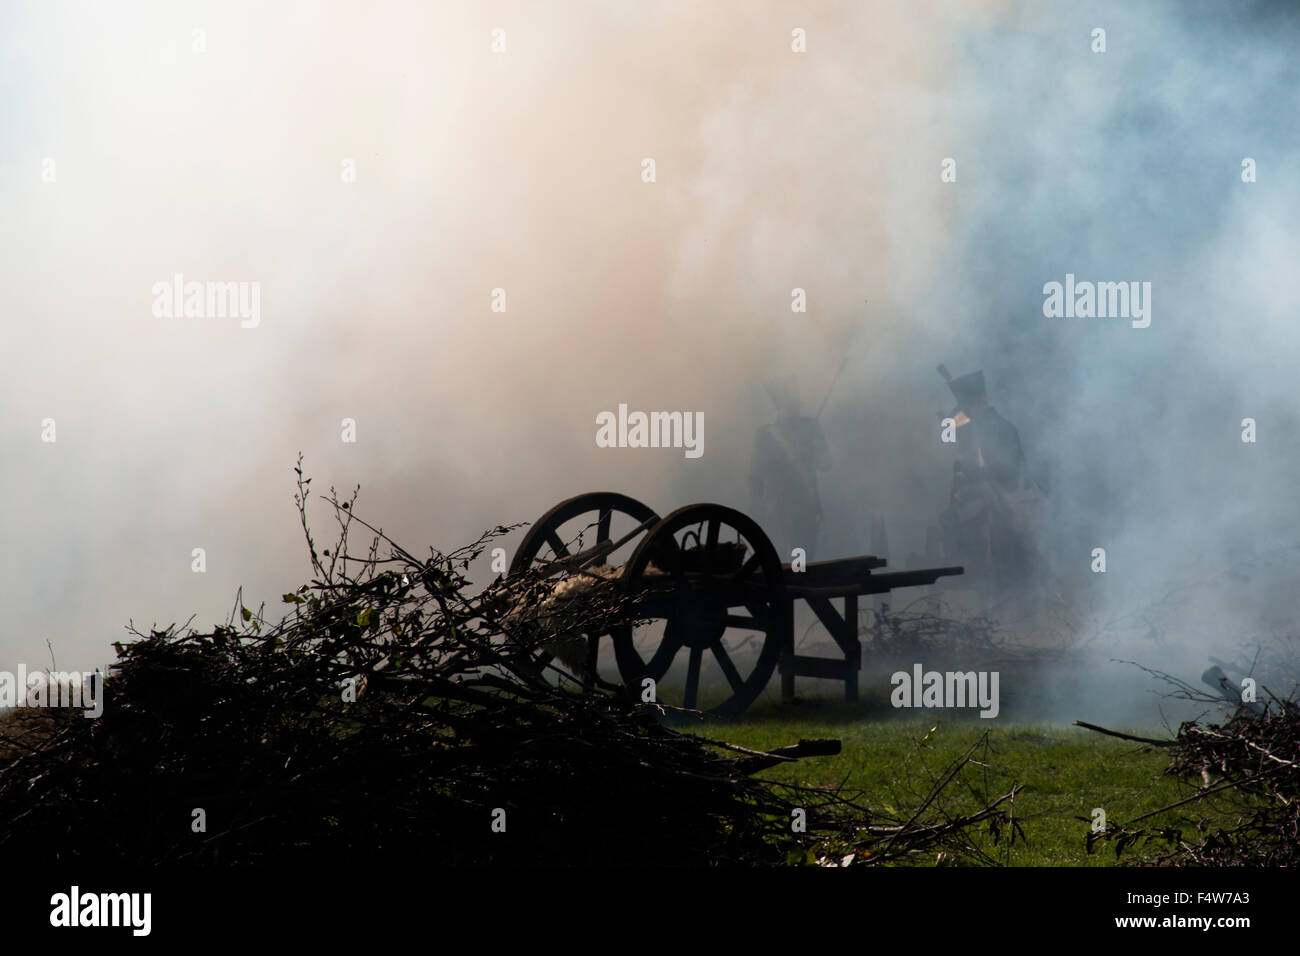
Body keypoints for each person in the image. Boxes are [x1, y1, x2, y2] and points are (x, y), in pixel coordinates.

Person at [937, 368, 1036, 591]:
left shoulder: (1001, 429)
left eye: (969, 406)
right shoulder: (981, 428)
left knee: (1014, 576)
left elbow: (1007, 470)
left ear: (980, 401)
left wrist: (974, 476)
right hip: (995, 512)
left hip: (1008, 511)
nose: (968, 413)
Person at [750, 383, 831, 560]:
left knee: (803, 557)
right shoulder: (766, 434)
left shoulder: (811, 428)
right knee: (780, 557)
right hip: (779, 507)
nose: (796, 405)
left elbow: (826, 464)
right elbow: (757, 473)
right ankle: (790, 584)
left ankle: (800, 583)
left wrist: (812, 450)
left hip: (807, 506)